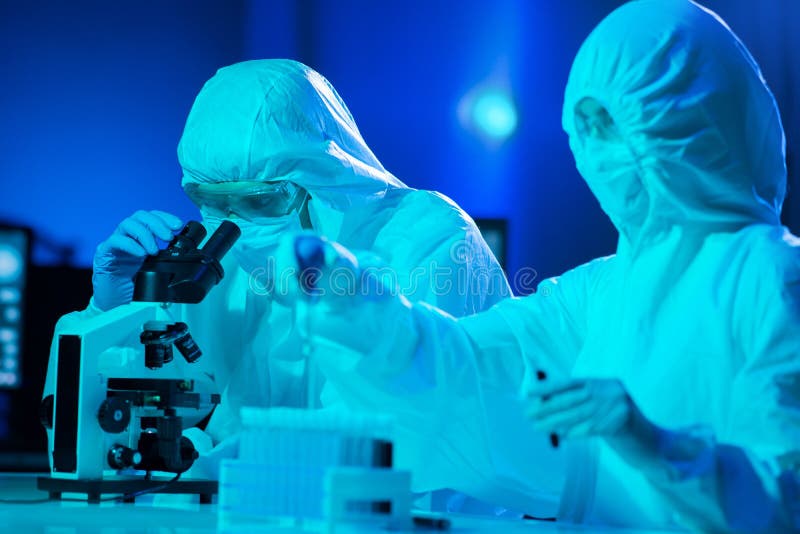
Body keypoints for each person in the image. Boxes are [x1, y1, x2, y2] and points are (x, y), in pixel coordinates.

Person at [274, 1, 800, 531]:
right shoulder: (607, 289)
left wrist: (651, 441)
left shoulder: (776, 280)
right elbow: (473, 364)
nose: (595, 149)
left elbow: (786, 500)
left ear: (699, 119)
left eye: (612, 123)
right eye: (584, 126)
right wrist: (364, 313)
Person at [42, 60, 511, 497]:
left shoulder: (427, 242)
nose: (231, 224)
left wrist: (202, 467)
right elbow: (108, 440)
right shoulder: (222, 257)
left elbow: (388, 441)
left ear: (324, 182)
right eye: (210, 199)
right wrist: (111, 318)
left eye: (257, 201)